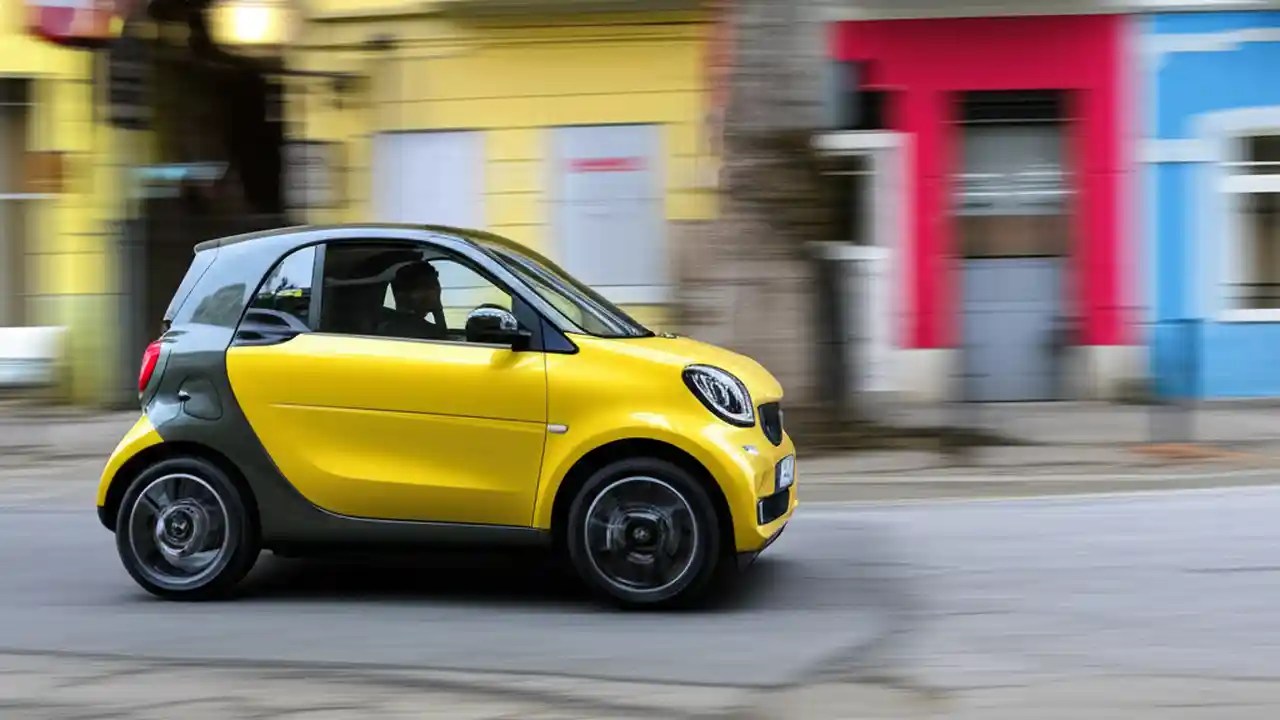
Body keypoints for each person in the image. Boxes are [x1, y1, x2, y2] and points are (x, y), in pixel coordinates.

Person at [377, 261, 448, 340]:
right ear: (404, 295)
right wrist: (438, 311)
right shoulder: (417, 331)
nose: (435, 292)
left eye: (435, 285)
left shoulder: (389, 325)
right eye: (428, 286)